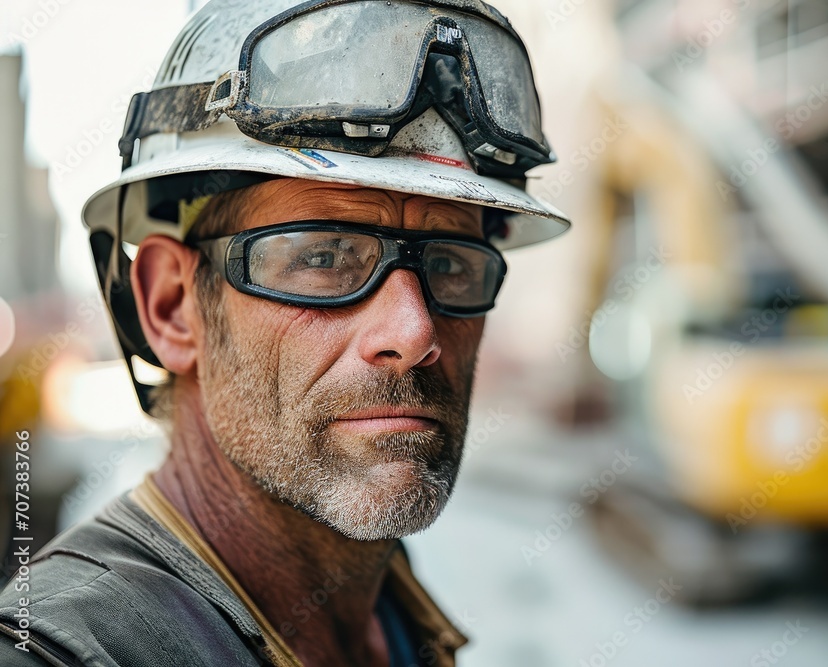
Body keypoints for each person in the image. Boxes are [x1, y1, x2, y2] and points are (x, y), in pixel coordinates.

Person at [0, 0, 569, 664]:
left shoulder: (389, 609)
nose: (415, 332)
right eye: (324, 257)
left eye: (447, 263)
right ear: (170, 306)